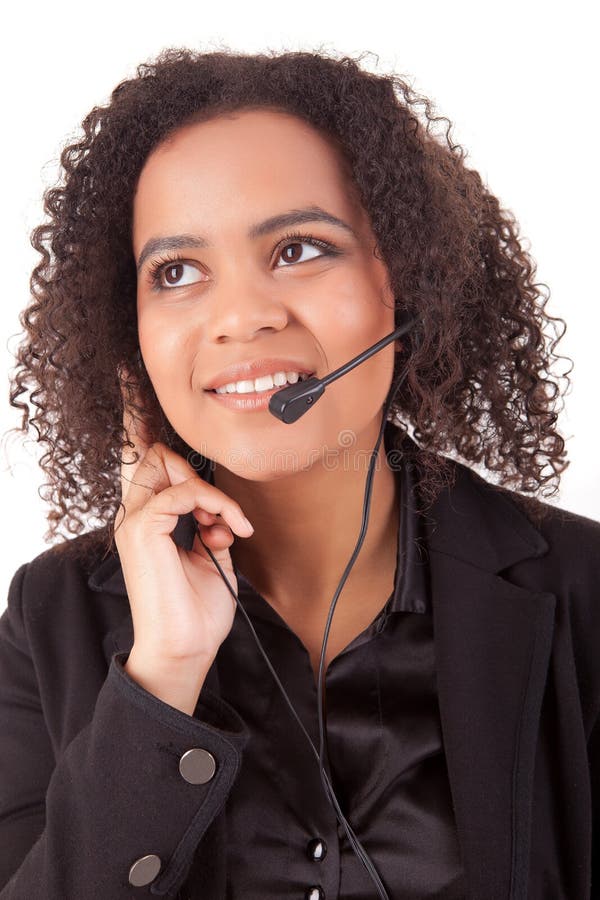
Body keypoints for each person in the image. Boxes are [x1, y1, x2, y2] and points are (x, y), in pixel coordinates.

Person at [0, 45, 598, 900]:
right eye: (176, 272)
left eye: (298, 249)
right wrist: (162, 674)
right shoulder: (47, 619)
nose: (241, 317)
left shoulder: (582, 592)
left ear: (405, 282)